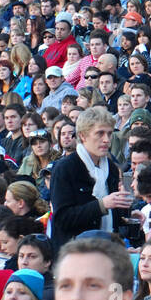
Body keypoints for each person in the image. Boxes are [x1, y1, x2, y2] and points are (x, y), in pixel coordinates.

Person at [49, 107, 132, 249]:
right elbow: (62, 219)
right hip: (75, 252)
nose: (106, 139)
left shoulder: (111, 168)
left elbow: (111, 218)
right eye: (100, 133)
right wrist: (101, 205)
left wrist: (128, 217)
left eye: (109, 133)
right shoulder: (65, 168)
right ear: (83, 136)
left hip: (107, 249)